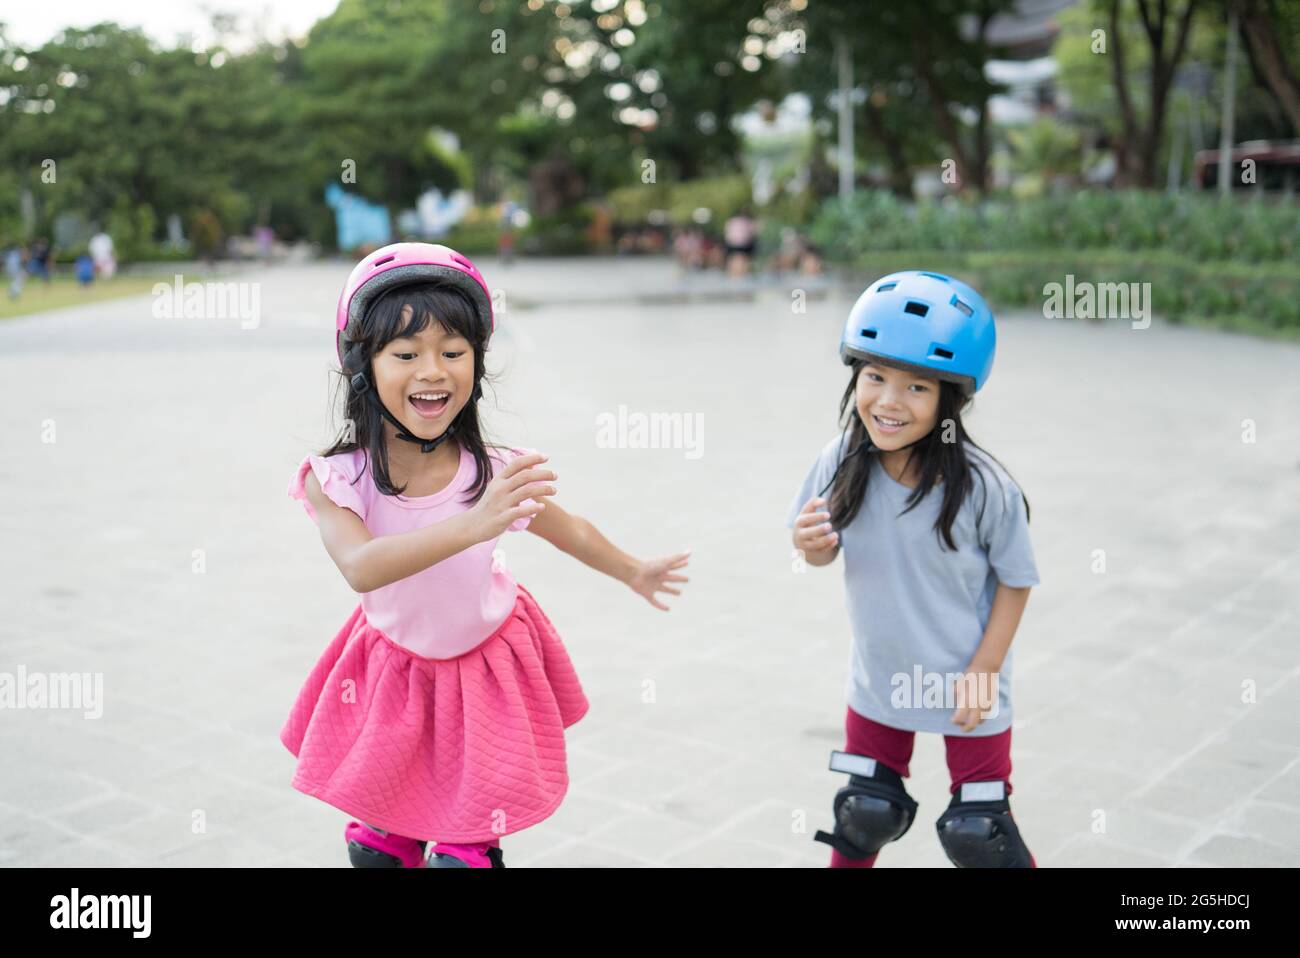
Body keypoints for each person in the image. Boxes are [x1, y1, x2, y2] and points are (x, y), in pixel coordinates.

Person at [280, 242, 691, 868]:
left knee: (463, 860)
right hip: (395, 670)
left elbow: (570, 530)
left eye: (453, 352)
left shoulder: (492, 472)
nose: (433, 370)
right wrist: (474, 525)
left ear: (477, 363)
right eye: (407, 354)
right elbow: (360, 567)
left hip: (485, 670)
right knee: (378, 852)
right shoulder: (338, 477)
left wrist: (634, 569)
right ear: (362, 364)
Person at [786, 270, 1041, 868]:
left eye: (917, 388)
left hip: (967, 683)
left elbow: (1016, 579)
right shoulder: (841, 459)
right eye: (875, 377)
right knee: (864, 815)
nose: (889, 401)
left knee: (981, 835)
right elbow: (821, 552)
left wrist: (984, 668)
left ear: (953, 398)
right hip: (881, 680)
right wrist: (809, 545)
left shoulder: (983, 486)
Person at [723, 205, 758, 277]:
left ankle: (733, 273)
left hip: (733, 244)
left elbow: (727, 233)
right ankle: (741, 273)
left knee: (734, 260)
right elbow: (753, 234)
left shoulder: (732, 221)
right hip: (743, 244)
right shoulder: (749, 221)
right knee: (743, 260)